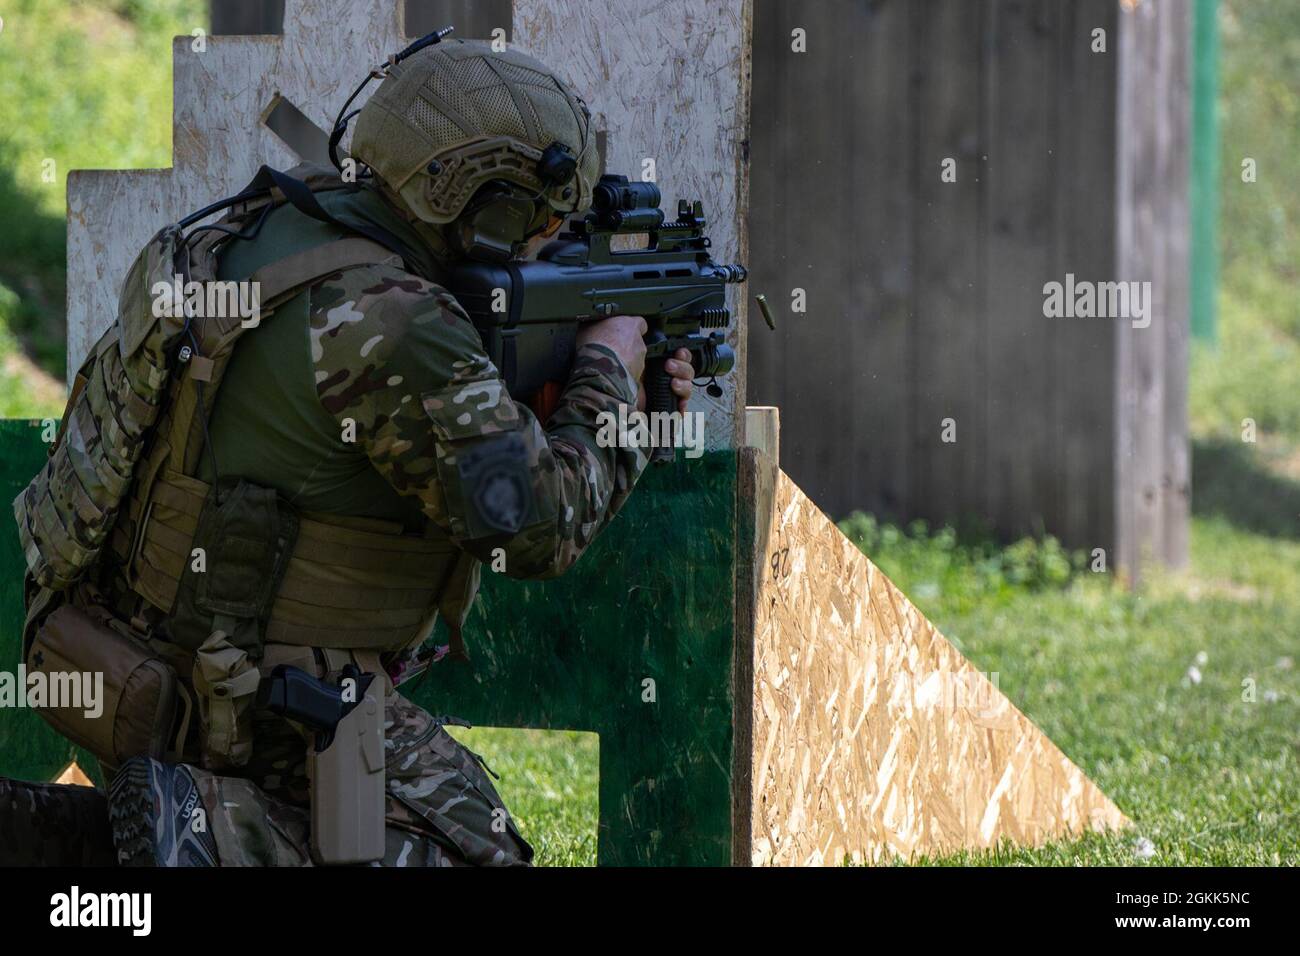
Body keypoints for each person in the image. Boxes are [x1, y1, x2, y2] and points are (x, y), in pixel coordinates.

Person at [15, 37, 697, 867]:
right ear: (471, 202)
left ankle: (64, 846)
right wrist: (609, 381)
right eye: (540, 215)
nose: (550, 234)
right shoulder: (394, 316)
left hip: (108, 656)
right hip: (243, 700)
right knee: (475, 855)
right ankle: (212, 830)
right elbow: (535, 530)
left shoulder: (246, 231)